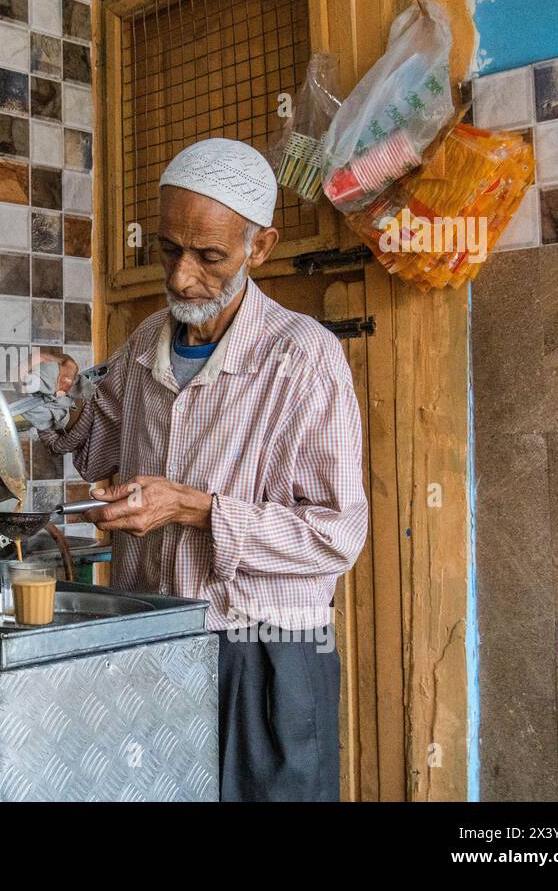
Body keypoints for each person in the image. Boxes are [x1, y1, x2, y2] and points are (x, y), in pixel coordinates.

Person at [24, 138, 368, 801]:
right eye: (168, 250)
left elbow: (336, 533)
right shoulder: (146, 342)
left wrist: (195, 507)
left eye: (209, 257)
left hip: (262, 655)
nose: (183, 278)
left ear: (259, 248)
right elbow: (101, 451)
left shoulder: (302, 358)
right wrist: (64, 405)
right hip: (153, 640)